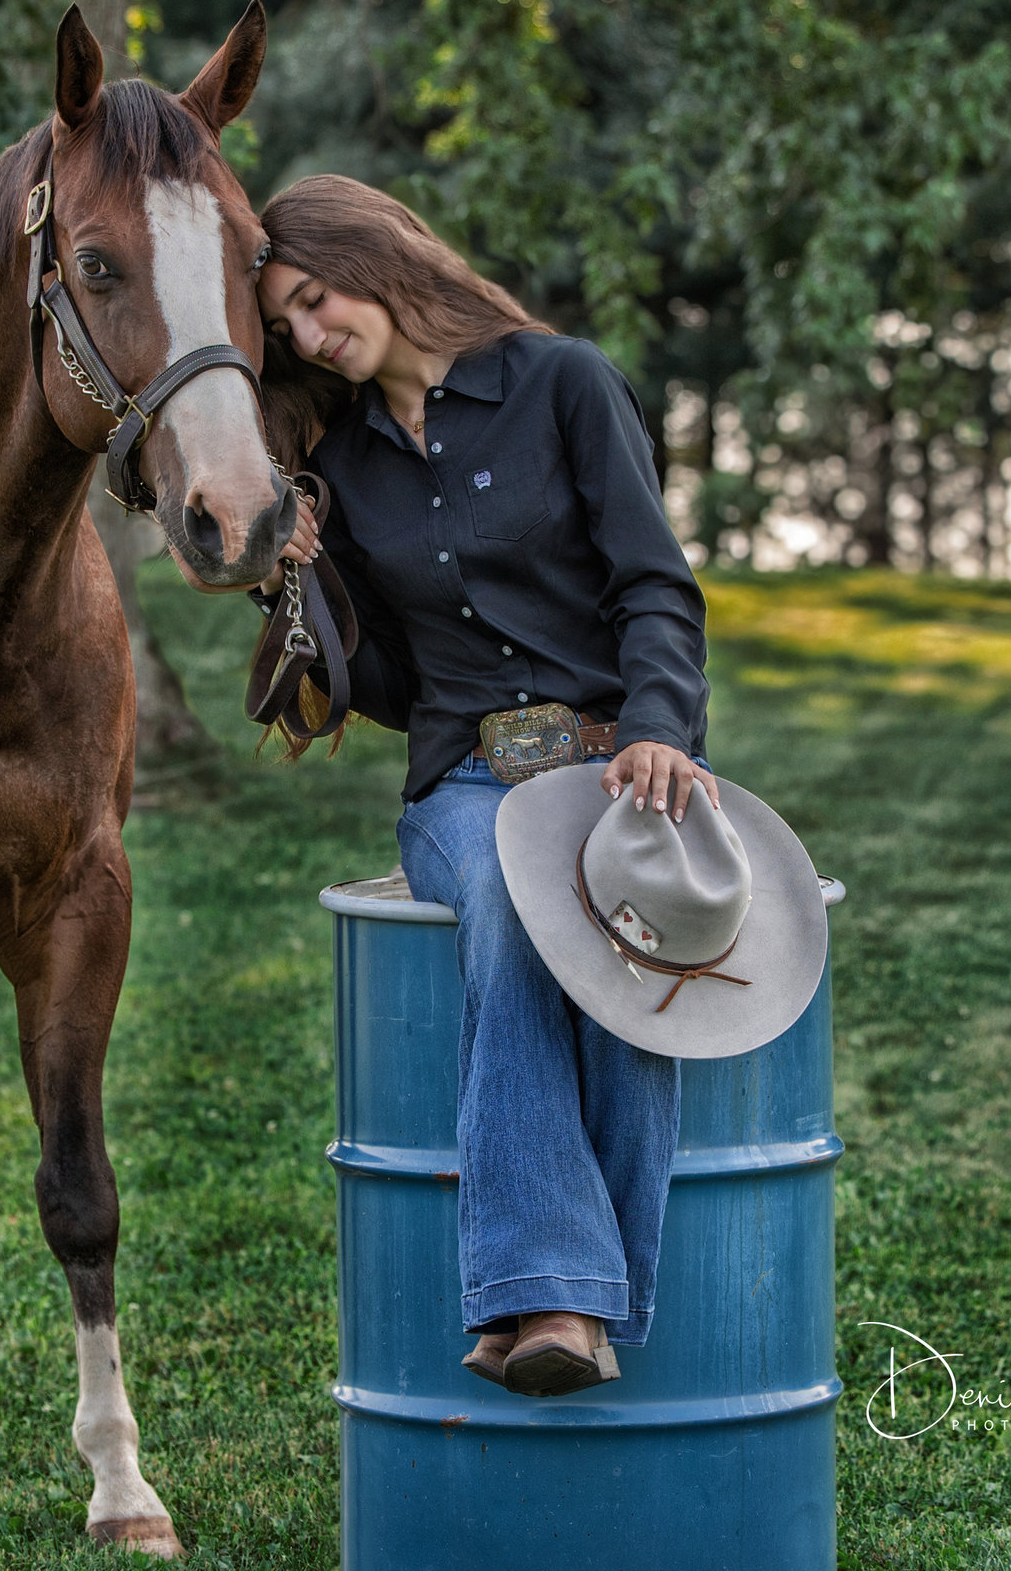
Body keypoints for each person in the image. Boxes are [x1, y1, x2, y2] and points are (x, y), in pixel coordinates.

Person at [253, 175, 715, 1398]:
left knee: (621, 935)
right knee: (516, 899)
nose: (308, 336)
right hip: (463, 781)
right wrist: (307, 595)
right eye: (286, 326)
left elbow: (654, 585)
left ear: (378, 257)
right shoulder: (343, 462)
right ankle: (560, 1292)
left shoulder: (562, 381)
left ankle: (551, 1303)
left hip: (624, 755)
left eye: (313, 298)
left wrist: (664, 726)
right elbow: (396, 683)